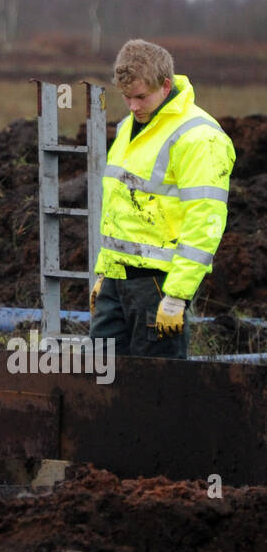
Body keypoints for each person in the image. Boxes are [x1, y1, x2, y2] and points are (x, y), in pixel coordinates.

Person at [89, 39, 235, 358]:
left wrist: (177, 297)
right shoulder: (130, 126)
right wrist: (104, 274)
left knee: (155, 392)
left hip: (159, 286)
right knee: (99, 379)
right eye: (126, 97)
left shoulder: (199, 138)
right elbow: (119, 207)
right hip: (116, 282)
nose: (133, 106)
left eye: (141, 97)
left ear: (165, 85)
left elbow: (205, 224)